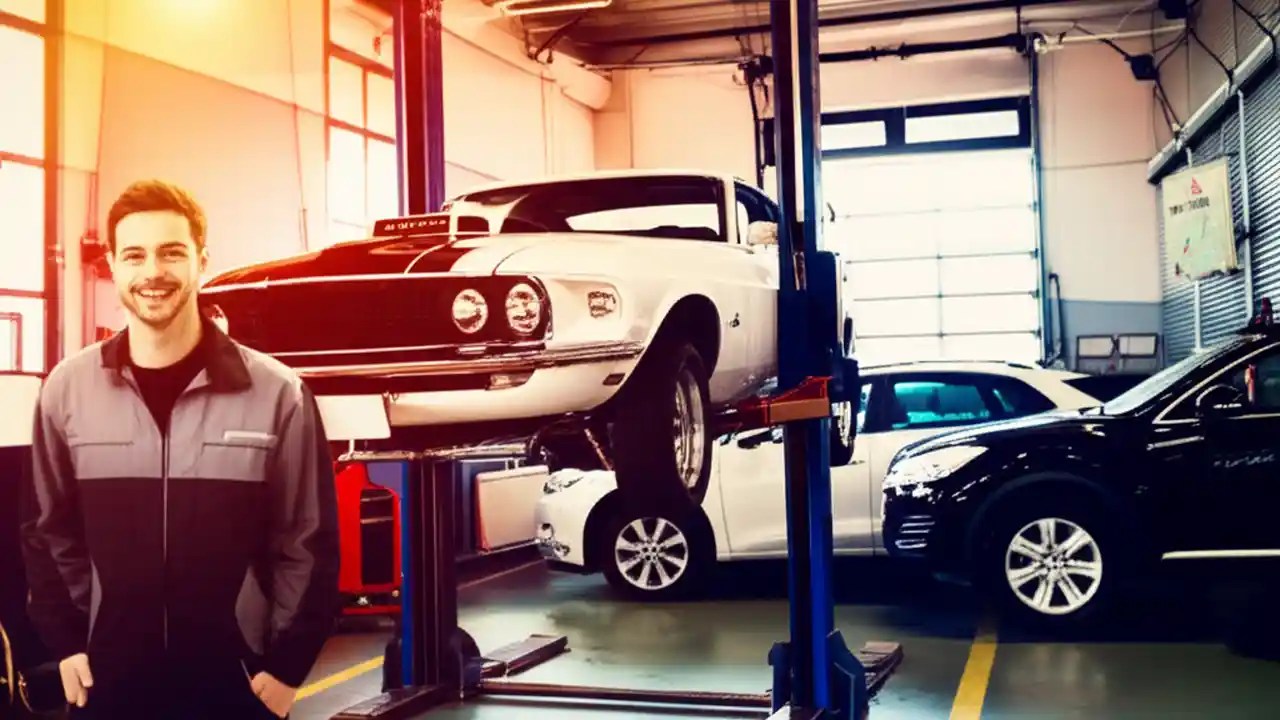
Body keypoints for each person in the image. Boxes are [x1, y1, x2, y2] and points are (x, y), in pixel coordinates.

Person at [19, 179, 341, 718]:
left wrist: (287, 667)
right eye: (135, 255)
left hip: (237, 682)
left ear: (202, 260)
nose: (153, 272)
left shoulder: (277, 393)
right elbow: (46, 528)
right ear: (114, 267)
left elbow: (306, 539)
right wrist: (70, 641)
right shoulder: (66, 390)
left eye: (172, 252)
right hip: (107, 677)